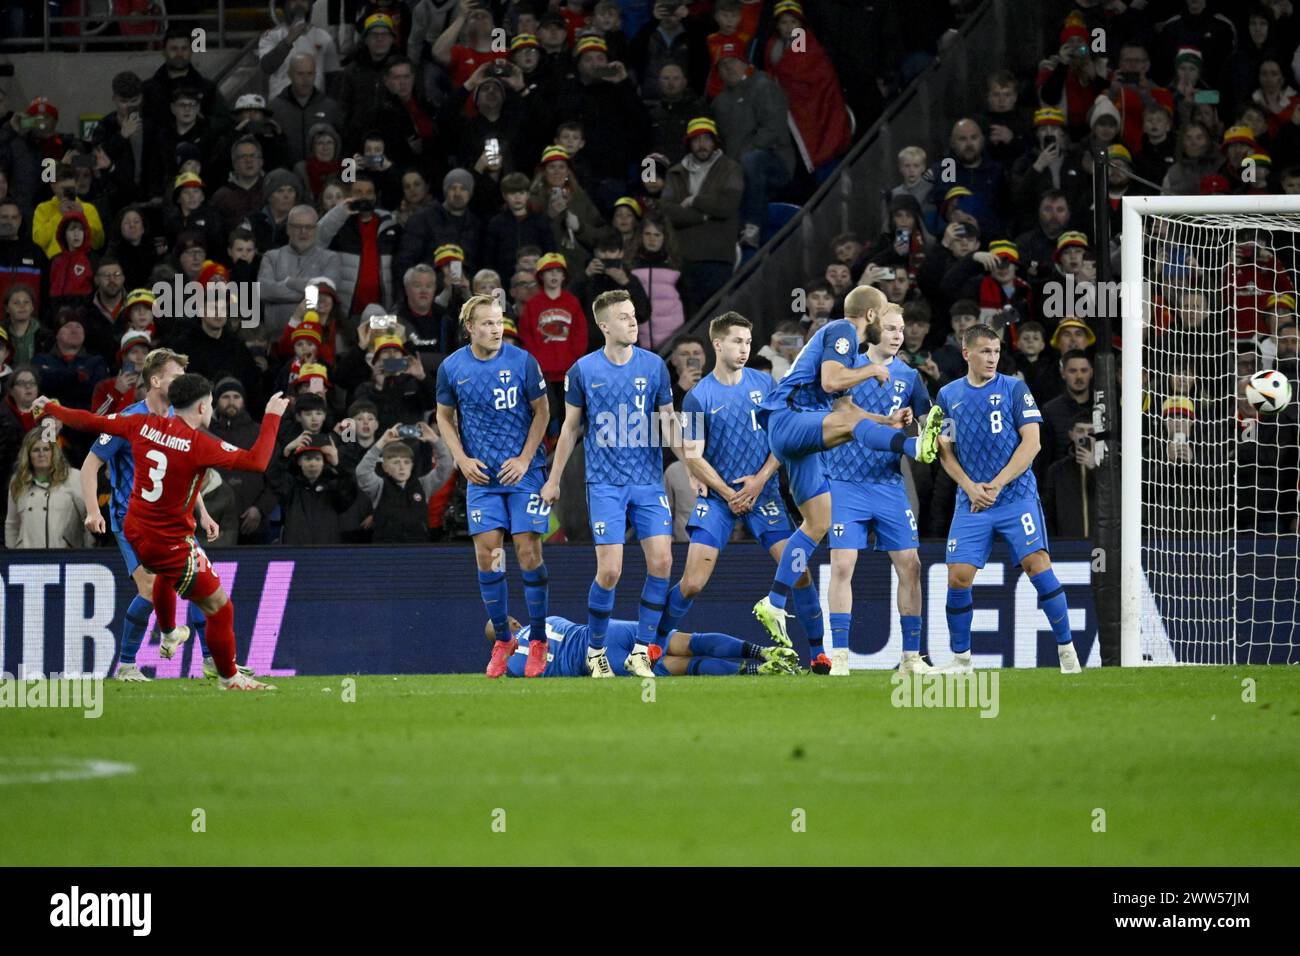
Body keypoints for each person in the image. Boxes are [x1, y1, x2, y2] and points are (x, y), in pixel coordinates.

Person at [34, 377, 291, 691]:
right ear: (201, 406)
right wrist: (272, 416)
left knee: (162, 576)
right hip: (169, 543)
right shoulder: (199, 444)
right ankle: (229, 677)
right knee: (220, 607)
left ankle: (170, 631)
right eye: (210, 403)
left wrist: (49, 407)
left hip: (136, 529)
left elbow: (88, 421)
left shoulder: (141, 424)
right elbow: (258, 460)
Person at [751, 286, 943, 666]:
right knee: (847, 426)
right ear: (871, 317)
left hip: (799, 437)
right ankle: (913, 449)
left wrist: (886, 420)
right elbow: (829, 383)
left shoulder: (851, 352)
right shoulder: (841, 330)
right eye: (886, 321)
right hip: (788, 420)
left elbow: (848, 410)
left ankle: (773, 601)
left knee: (815, 523)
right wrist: (872, 369)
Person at [655, 312, 822, 664]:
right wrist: (729, 494)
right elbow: (693, 456)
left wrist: (759, 481)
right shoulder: (699, 396)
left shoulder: (764, 385)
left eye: (747, 341)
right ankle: (652, 644)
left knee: (799, 569)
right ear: (717, 344)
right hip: (718, 498)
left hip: (764, 493)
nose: (744, 348)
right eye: (736, 341)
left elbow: (784, 440)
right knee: (693, 582)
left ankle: (820, 654)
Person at [540, 289, 682, 678]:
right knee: (610, 572)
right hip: (605, 484)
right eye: (623, 317)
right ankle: (595, 650)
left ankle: (641, 651)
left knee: (663, 562)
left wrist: (695, 470)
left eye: (634, 315)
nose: (633, 322)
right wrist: (553, 480)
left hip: (647, 482)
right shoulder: (582, 371)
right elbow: (570, 429)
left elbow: (668, 422)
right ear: (604, 325)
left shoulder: (654, 366)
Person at [933, 324, 1082, 674]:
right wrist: (970, 486)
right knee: (958, 576)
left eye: (996, 352)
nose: (992, 358)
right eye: (985, 351)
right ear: (966, 353)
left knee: (1037, 566)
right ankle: (961, 660)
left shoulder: (1015, 388)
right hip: (972, 500)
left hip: (1015, 496)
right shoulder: (948, 396)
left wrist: (996, 484)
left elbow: (1033, 443)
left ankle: (1067, 651)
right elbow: (945, 451)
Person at [80, 347, 234, 681]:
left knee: (197, 583)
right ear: (155, 380)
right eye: (176, 376)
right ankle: (126, 665)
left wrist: (203, 513)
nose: (183, 381)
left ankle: (210, 660)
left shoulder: (177, 421)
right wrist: (93, 511)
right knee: (150, 588)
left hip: (172, 520)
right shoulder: (127, 420)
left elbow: (185, 474)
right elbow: (90, 465)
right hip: (130, 520)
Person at [436, 295, 552, 678]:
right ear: (470, 327)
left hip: (526, 474)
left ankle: (538, 640)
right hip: (482, 478)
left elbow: (543, 412)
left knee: (528, 551)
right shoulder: (452, 367)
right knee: (489, 555)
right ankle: (504, 639)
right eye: (486, 323)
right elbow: (444, 415)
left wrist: (523, 459)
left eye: (498, 321)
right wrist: (461, 459)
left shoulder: (522, 361)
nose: (495, 328)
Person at [824, 305, 932, 677]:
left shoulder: (909, 376)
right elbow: (842, 413)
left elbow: (927, 423)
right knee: (842, 565)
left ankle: (911, 659)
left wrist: (924, 431)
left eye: (901, 329)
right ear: (874, 330)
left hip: (888, 484)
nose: (898, 335)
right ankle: (839, 656)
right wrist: (889, 424)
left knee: (911, 566)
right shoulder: (847, 367)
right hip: (844, 481)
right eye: (890, 328)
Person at [490, 614, 798, 678]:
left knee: (682, 666)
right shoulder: (545, 619)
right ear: (515, 623)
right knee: (690, 642)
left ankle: (759, 670)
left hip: (597, 661)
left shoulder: (516, 668)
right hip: (608, 632)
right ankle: (763, 652)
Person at [5, 430, 93, 550]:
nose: (41, 454)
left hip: (66, 557)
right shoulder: (18, 481)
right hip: (26, 559)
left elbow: (88, 518)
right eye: (36, 450)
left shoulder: (74, 477)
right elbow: (12, 524)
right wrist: (12, 558)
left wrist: (89, 553)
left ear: (54, 452)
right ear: (28, 455)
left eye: (46, 449)